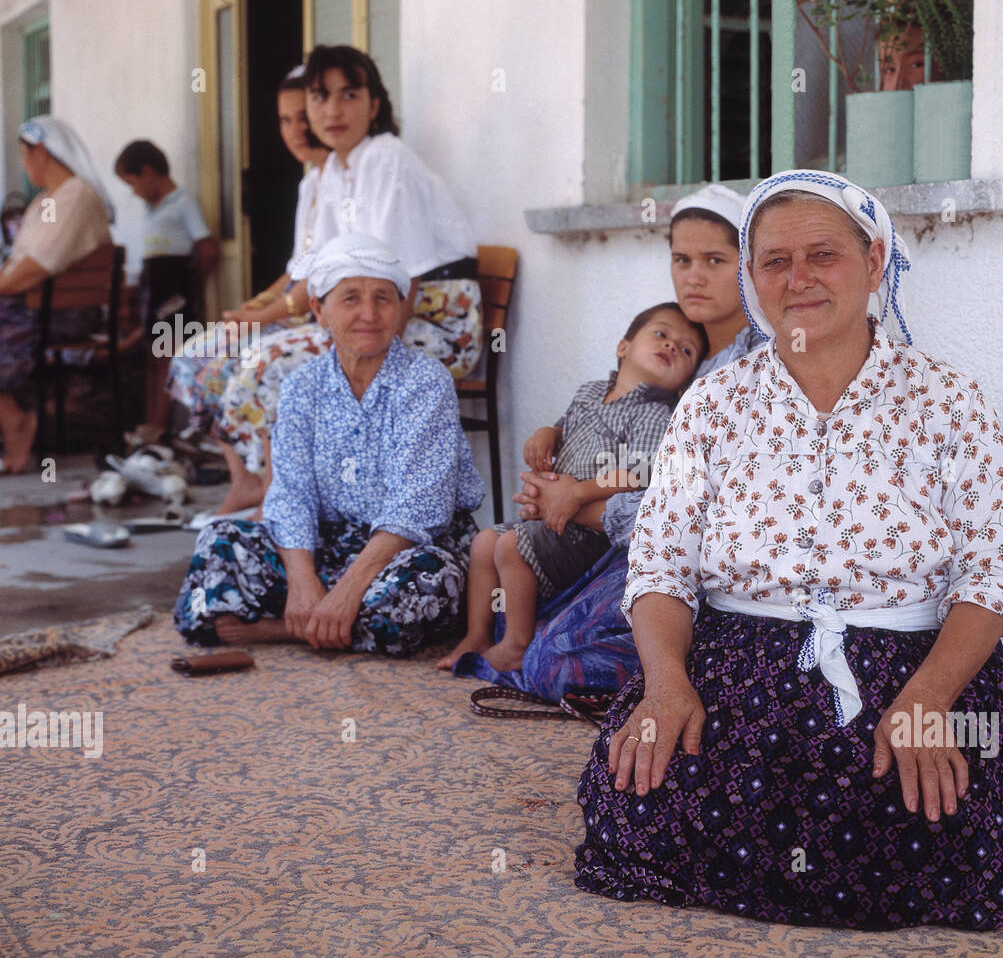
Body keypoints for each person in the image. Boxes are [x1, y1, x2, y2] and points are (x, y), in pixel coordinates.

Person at [573, 169, 1003, 932]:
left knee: (967, 839)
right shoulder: (714, 403)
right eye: (773, 261)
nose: (797, 280)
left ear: (872, 264)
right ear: (752, 277)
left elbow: (995, 573)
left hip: (914, 665)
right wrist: (665, 686)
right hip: (736, 662)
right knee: (637, 799)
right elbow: (661, 565)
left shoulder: (948, 400)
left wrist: (928, 701)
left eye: (822, 256)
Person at [467, 184, 766, 701]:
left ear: (750, 264)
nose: (693, 276)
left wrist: (574, 502)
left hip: (701, 556)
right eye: (682, 259)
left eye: (715, 260)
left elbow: (694, 502)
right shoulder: (682, 369)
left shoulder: (755, 365)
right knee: (522, 613)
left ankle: (698, 680)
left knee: (554, 664)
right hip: (630, 543)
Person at [173, 233, 484, 656]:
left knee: (430, 580)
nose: (369, 314)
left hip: (403, 549)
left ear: (399, 307)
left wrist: (346, 593)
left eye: (383, 298)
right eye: (350, 298)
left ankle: (284, 630)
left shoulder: (425, 381)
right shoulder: (302, 384)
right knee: (221, 539)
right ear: (318, 310)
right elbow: (290, 493)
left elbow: (418, 507)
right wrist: (304, 583)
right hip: (329, 544)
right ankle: (323, 620)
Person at [213, 44, 480, 505]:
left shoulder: (386, 157)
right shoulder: (336, 168)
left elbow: (402, 277)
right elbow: (324, 268)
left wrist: (376, 354)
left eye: (349, 95)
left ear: (373, 105)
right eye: (319, 97)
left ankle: (283, 504)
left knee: (272, 364)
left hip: (431, 320)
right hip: (372, 311)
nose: (333, 110)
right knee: (257, 353)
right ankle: (285, 503)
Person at [440, 302, 704, 672]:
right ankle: (477, 635)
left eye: (687, 349)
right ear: (623, 346)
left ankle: (517, 643)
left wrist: (578, 493)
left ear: (688, 378)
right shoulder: (589, 391)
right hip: (553, 517)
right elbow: (564, 426)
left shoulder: (656, 412)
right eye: (661, 334)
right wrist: (545, 434)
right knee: (484, 542)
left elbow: (637, 474)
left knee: (512, 545)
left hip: (589, 535)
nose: (672, 346)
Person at [166, 64, 332, 515]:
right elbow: (296, 268)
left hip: (328, 313)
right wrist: (250, 307)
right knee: (193, 353)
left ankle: (275, 489)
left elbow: (322, 279)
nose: (296, 130)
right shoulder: (311, 182)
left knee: (251, 358)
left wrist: (264, 317)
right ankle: (245, 480)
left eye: (303, 116)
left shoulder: (344, 177)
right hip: (298, 306)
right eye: (284, 120)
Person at [0, 117, 114, 473]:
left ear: (42, 152)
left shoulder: (76, 196)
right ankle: (13, 419)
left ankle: (16, 421)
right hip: (35, 309)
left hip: (62, 314)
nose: (23, 164)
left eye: (23, 154)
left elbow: (35, 266)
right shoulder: (46, 202)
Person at [114, 139, 219, 431]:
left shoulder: (183, 202)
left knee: (167, 360)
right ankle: (151, 425)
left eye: (133, 183)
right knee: (153, 359)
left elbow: (207, 247)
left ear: (148, 172)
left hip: (175, 292)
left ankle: (159, 429)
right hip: (155, 291)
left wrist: (191, 288)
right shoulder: (152, 208)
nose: (134, 192)